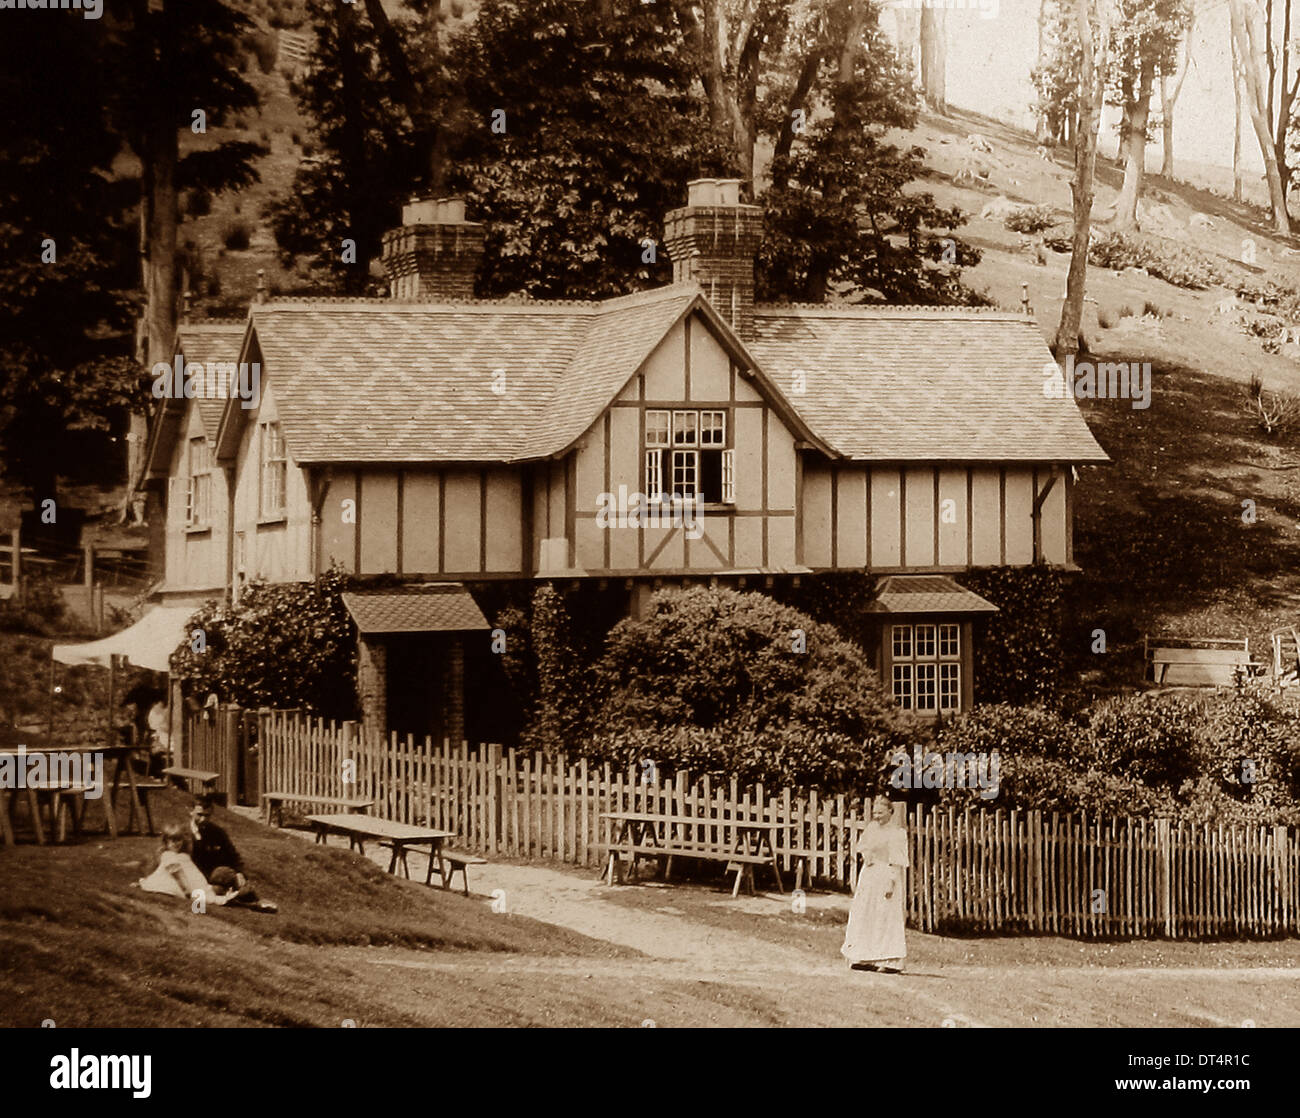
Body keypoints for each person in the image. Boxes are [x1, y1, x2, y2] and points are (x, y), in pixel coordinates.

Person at [841, 795, 909, 973]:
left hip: (886, 875)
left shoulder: (897, 833)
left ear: (890, 812)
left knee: (885, 916)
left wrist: (891, 884)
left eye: (880, 812)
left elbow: (897, 861)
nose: (877, 816)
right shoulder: (871, 828)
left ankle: (890, 961)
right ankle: (863, 957)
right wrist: (866, 854)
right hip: (870, 875)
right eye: (875, 812)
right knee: (865, 913)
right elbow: (862, 845)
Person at [189, 795, 278, 913]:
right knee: (222, 877)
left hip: (218, 877)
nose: (203, 819)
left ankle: (247, 899)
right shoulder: (185, 834)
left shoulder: (217, 832)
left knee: (223, 879)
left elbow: (233, 855)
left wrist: (239, 872)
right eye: (199, 815)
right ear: (191, 812)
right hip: (197, 877)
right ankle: (251, 901)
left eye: (207, 816)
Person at [138, 824, 232, 906]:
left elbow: (191, 872)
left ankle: (217, 893)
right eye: (173, 840)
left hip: (185, 879)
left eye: (178, 840)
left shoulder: (182, 856)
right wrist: (185, 889)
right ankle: (216, 898)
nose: (176, 843)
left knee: (198, 881)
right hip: (175, 882)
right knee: (197, 892)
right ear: (166, 842)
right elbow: (176, 873)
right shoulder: (168, 855)